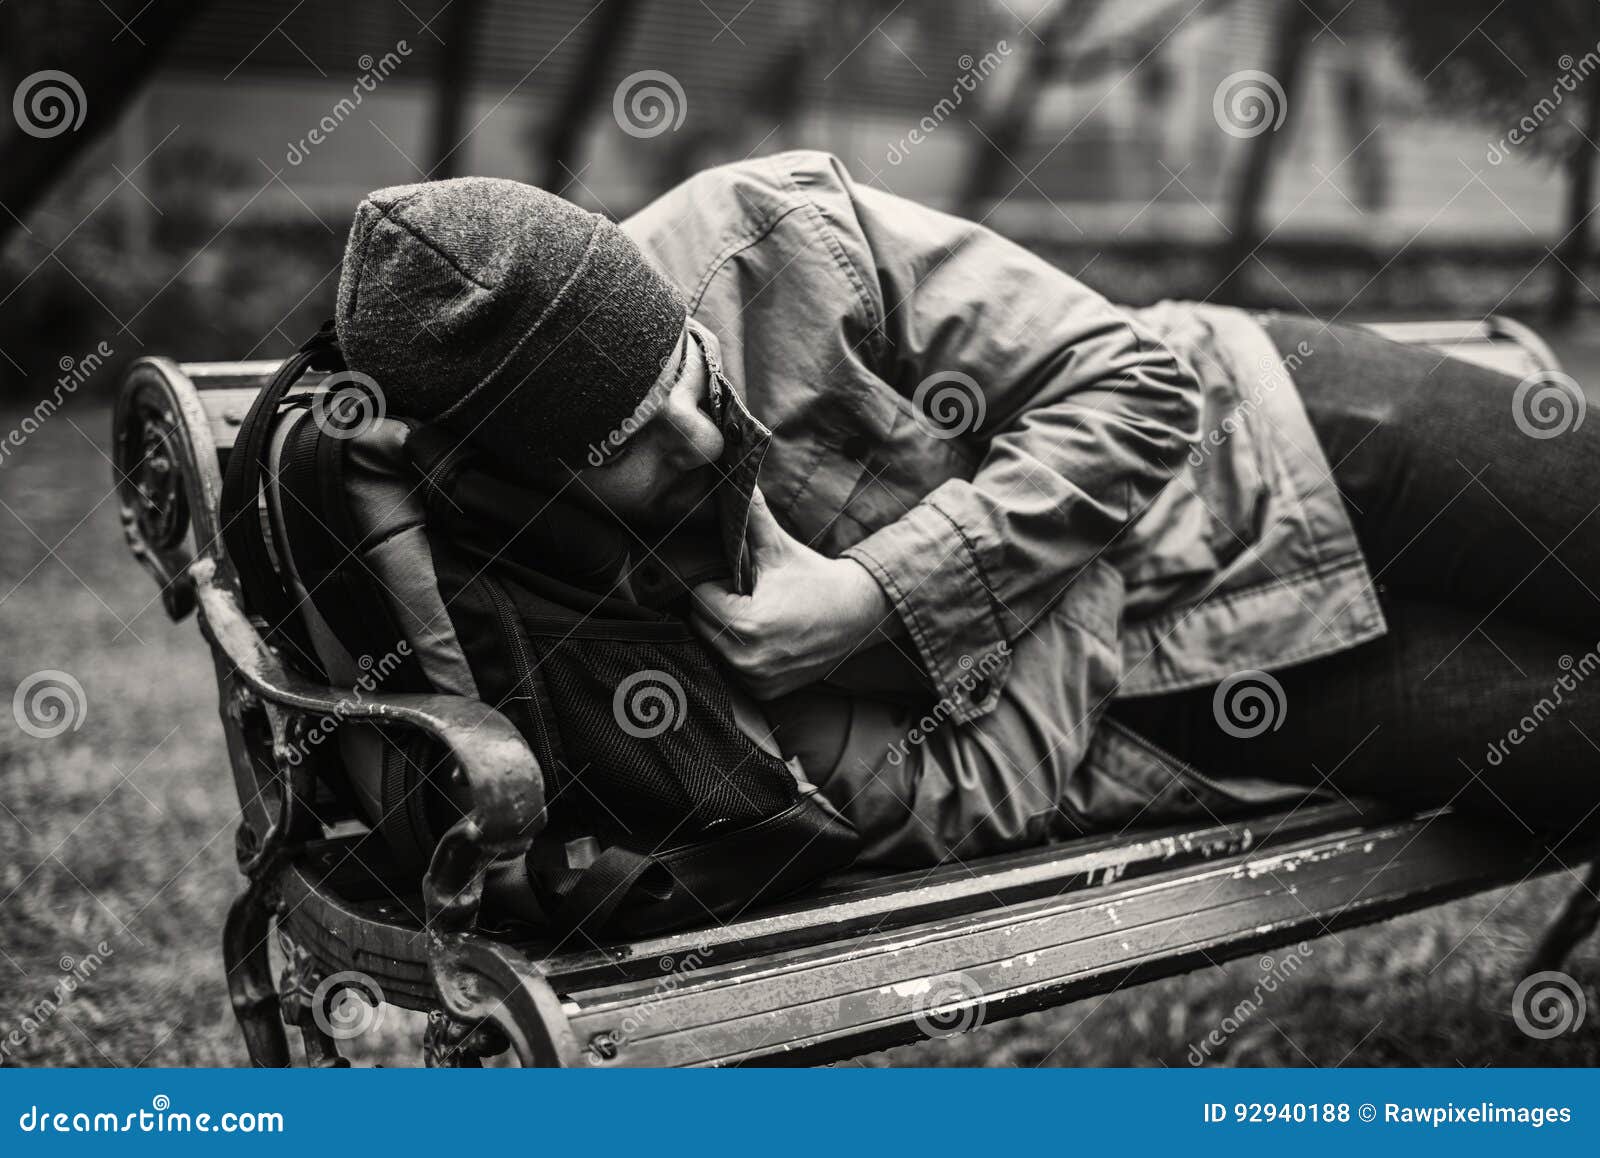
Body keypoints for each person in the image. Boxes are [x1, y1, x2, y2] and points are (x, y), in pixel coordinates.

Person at [332, 151, 1600, 868]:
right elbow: (941, 798)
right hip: (1178, 680)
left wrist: (881, 596)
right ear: (537, 479)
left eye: (684, 374)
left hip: (1266, 424)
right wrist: (1063, 578)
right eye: (629, 446)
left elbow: (1133, 385)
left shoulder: (763, 230)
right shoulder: (569, 621)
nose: (701, 434)